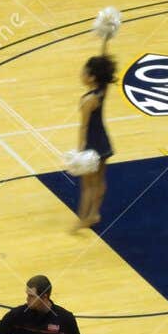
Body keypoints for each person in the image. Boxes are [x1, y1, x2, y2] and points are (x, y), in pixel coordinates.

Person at [76, 52, 116, 229]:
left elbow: (83, 128)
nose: (81, 74)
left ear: (91, 77)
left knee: (87, 185)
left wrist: (80, 151)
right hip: (104, 142)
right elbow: (104, 65)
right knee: (99, 180)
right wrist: (106, 39)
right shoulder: (102, 90)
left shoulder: (88, 100)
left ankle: (82, 219)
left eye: (84, 71)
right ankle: (94, 213)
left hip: (92, 146)